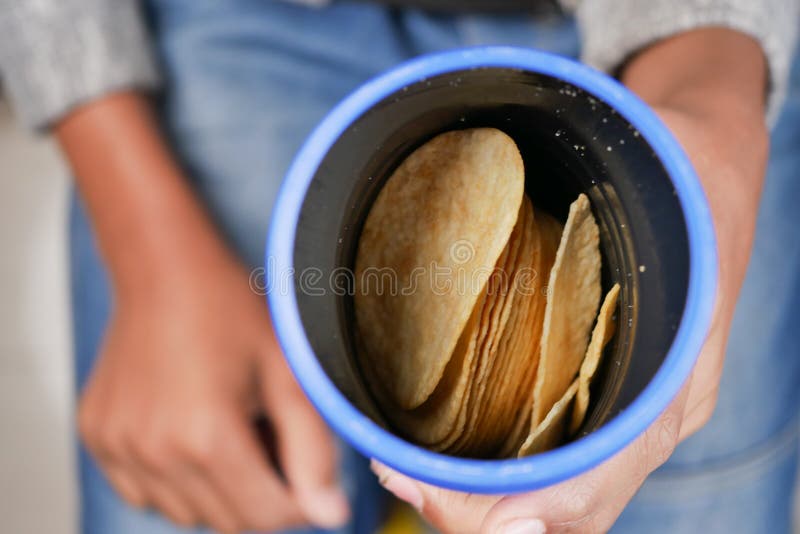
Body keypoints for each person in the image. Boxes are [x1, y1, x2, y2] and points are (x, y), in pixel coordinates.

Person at [1, 0, 798, 532]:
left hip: (663, 25)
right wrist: (144, 242)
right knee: (199, 483)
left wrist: (718, 79)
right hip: (231, 19)